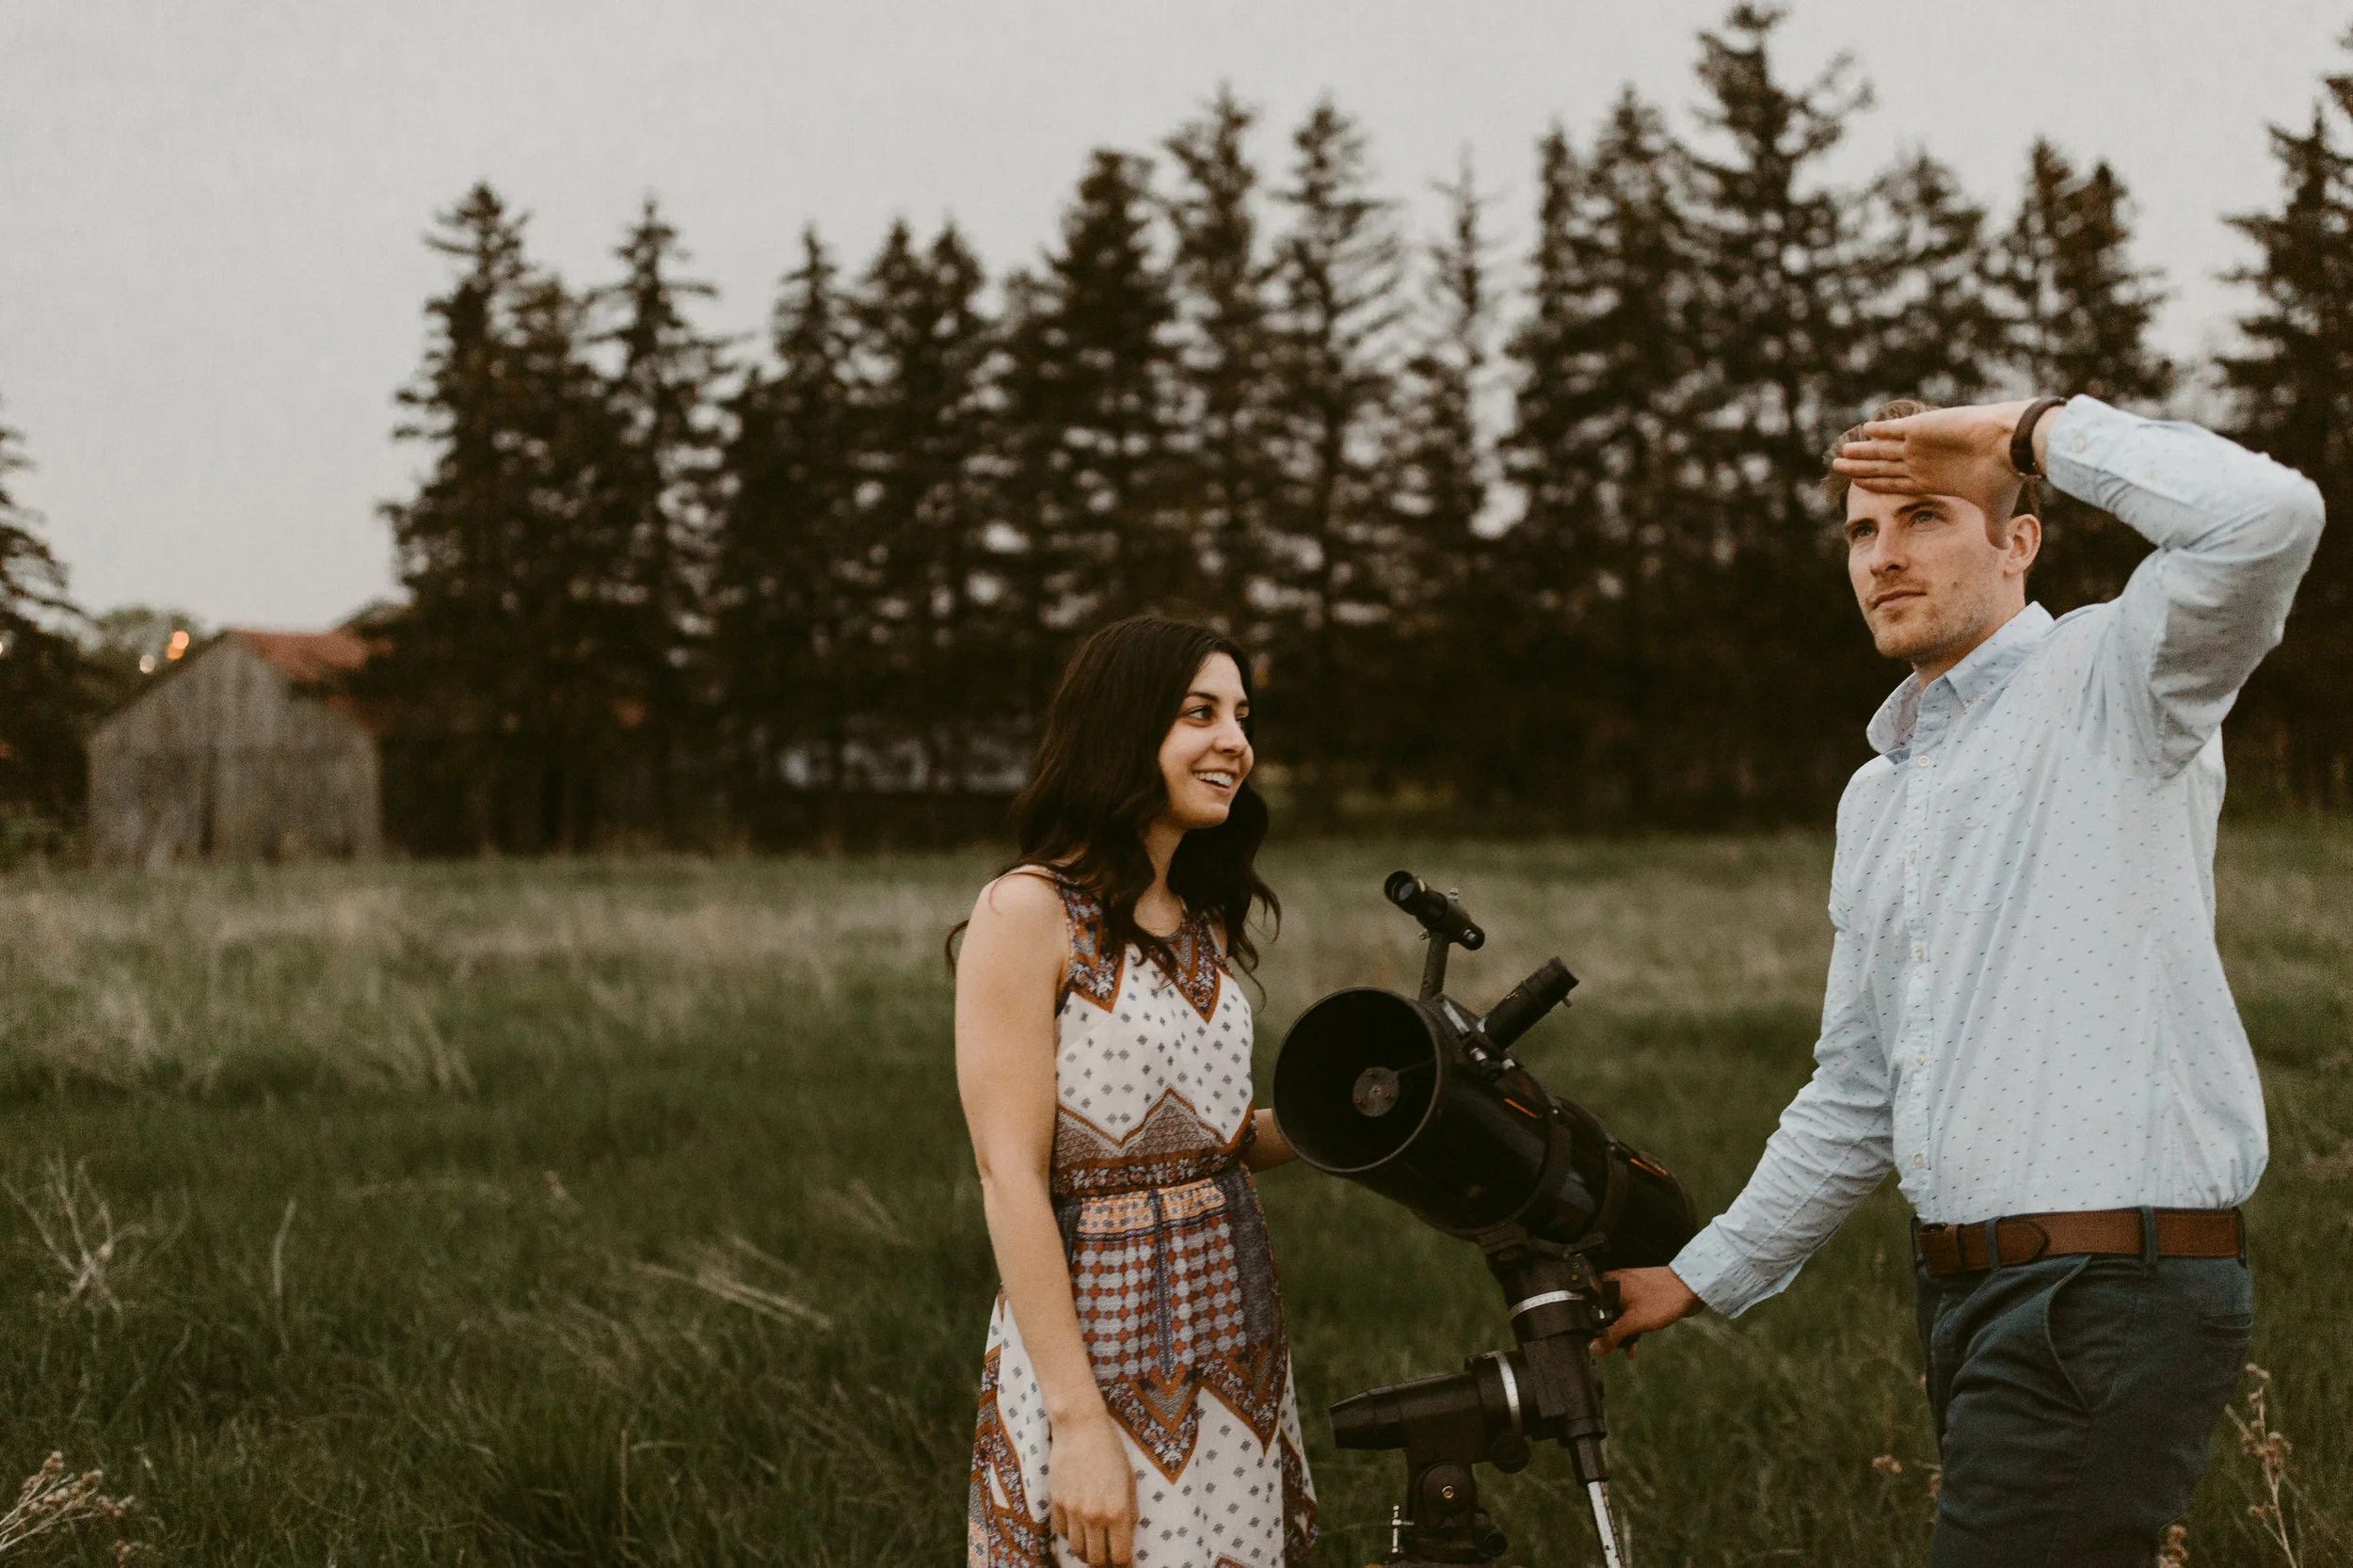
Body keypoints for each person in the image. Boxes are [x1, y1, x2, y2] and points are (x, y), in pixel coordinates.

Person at [1593, 395, 2324, 1564]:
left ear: (2017, 539)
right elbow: (1858, 1087)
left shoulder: (2115, 677)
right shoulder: (1880, 793)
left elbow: (2266, 516)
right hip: (1967, 1299)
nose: (1882, 556)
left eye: (1924, 516)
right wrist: (1699, 1275)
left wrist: (2023, 431)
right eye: (1860, 530)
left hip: (2106, 1289)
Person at [956, 616, 1318, 1568]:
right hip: (1096, 1357)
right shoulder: (1028, 911)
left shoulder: (1197, 919)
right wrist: (1077, 1423)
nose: (1234, 741)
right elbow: (1008, 1175)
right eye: (1200, 713)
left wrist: (1357, 1111)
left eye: (1241, 716)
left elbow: (1216, 1147)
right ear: (1123, 725)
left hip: (1233, 1337)